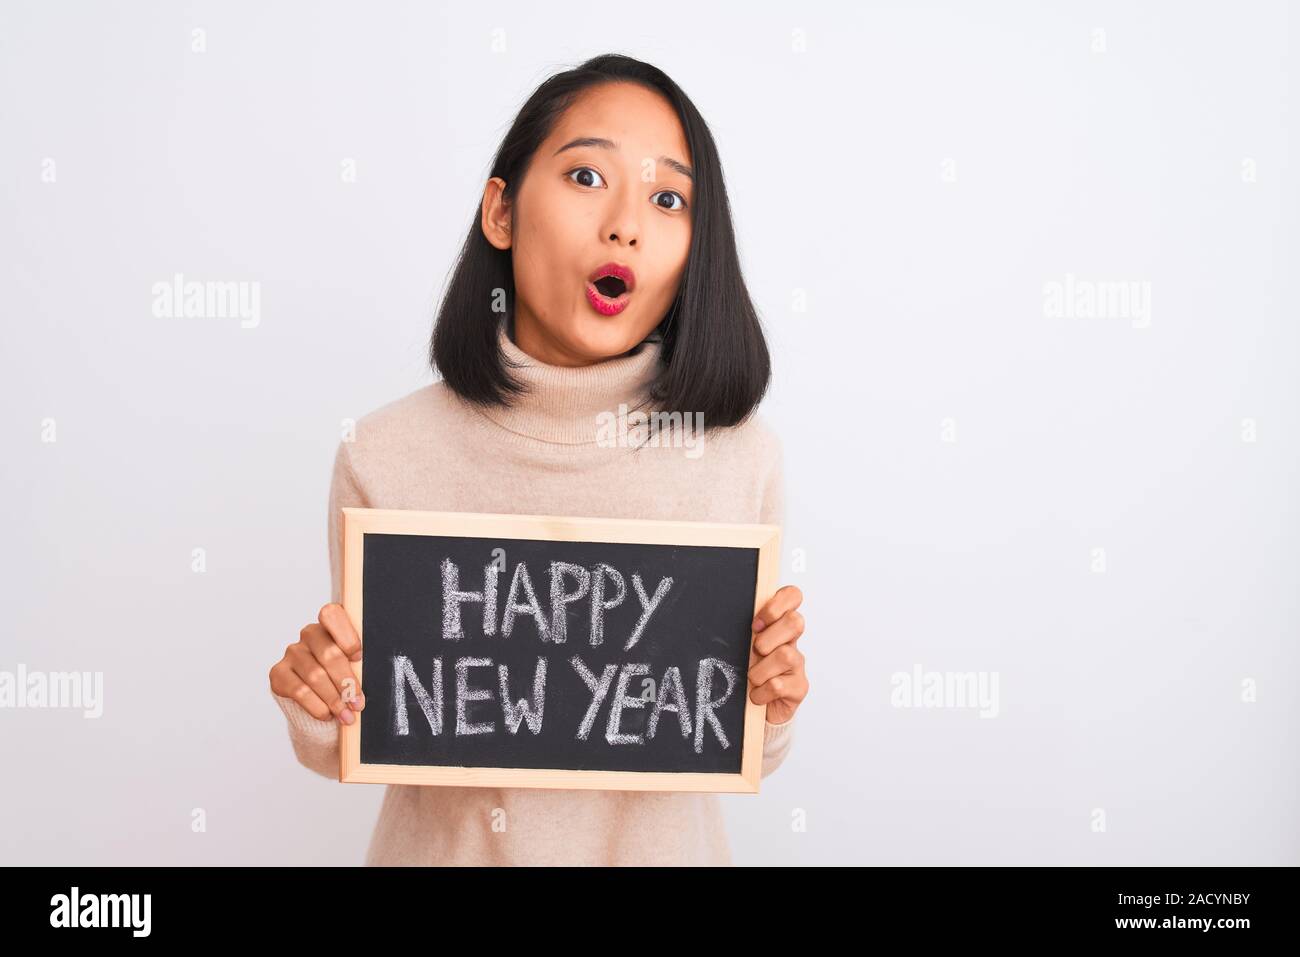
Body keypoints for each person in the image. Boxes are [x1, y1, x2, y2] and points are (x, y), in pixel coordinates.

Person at [268, 53, 809, 865]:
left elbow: (734, 749)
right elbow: (359, 728)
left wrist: (771, 697)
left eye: (668, 198)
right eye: (588, 177)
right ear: (502, 211)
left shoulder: (737, 458)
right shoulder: (384, 453)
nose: (626, 222)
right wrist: (320, 695)